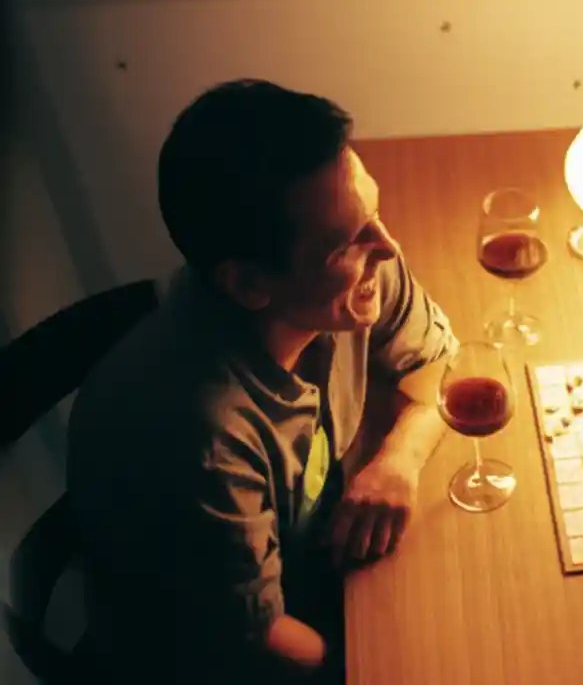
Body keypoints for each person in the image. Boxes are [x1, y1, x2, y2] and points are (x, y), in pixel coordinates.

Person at [67, 80, 459, 683]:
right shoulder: (203, 441)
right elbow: (261, 639)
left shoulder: (353, 278)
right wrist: (379, 665)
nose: (387, 246)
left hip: (303, 573)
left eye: (373, 212)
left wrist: (398, 461)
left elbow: (434, 365)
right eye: (346, 244)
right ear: (250, 285)